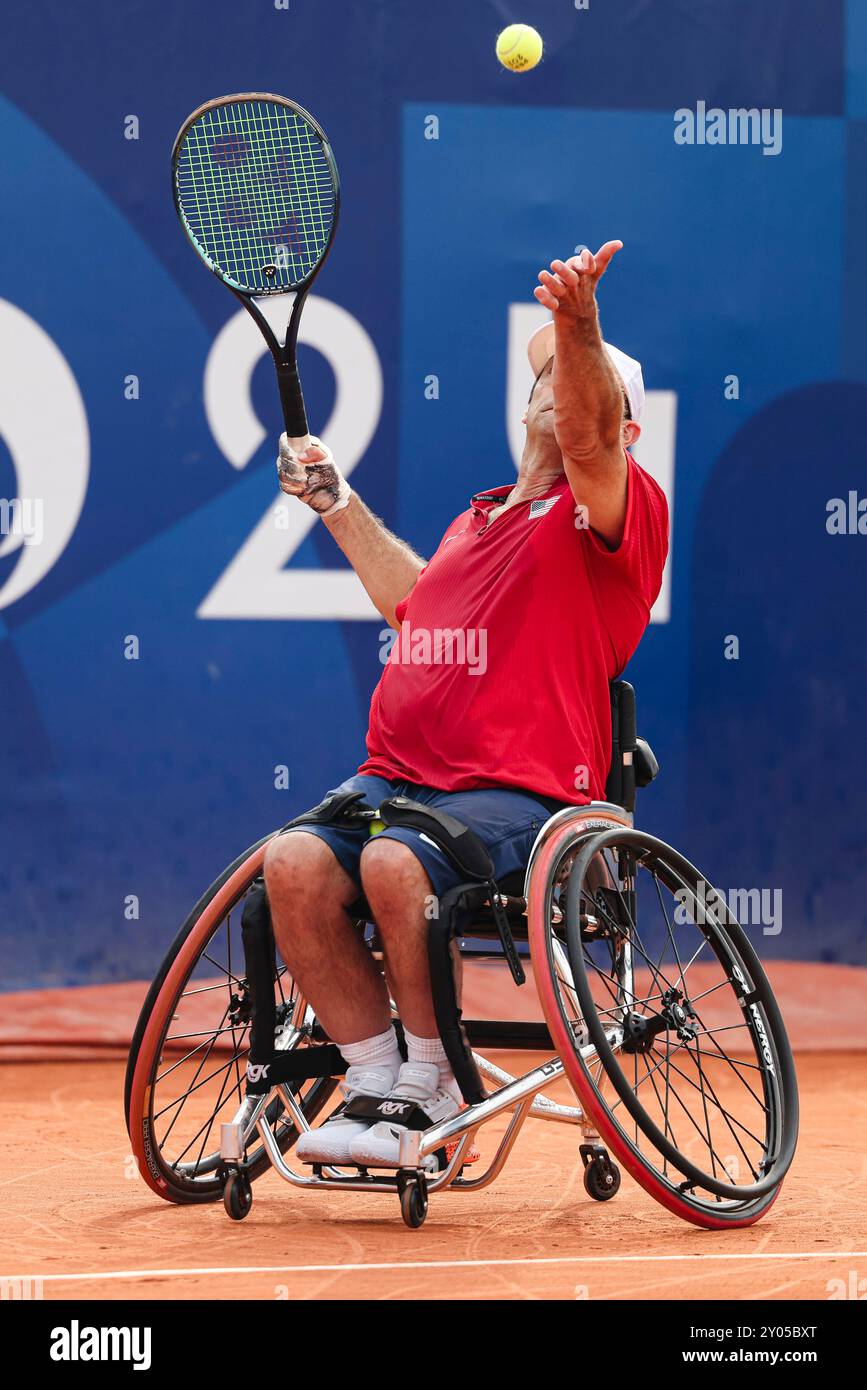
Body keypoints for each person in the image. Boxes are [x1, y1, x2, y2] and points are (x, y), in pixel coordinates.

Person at [264, 242, 669, 1167]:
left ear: (619, 424)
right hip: (399, 777)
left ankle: (434, 1082)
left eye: (571, 380)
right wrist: (336, 502)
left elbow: (589, 439)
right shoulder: (476, 518)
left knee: (396, 867)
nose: (549, 390)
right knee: (291, 864)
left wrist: (578, 326)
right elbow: (410, 600)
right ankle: (374, 1075)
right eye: (543, 377)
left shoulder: (618, 508)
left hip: (523, 794)